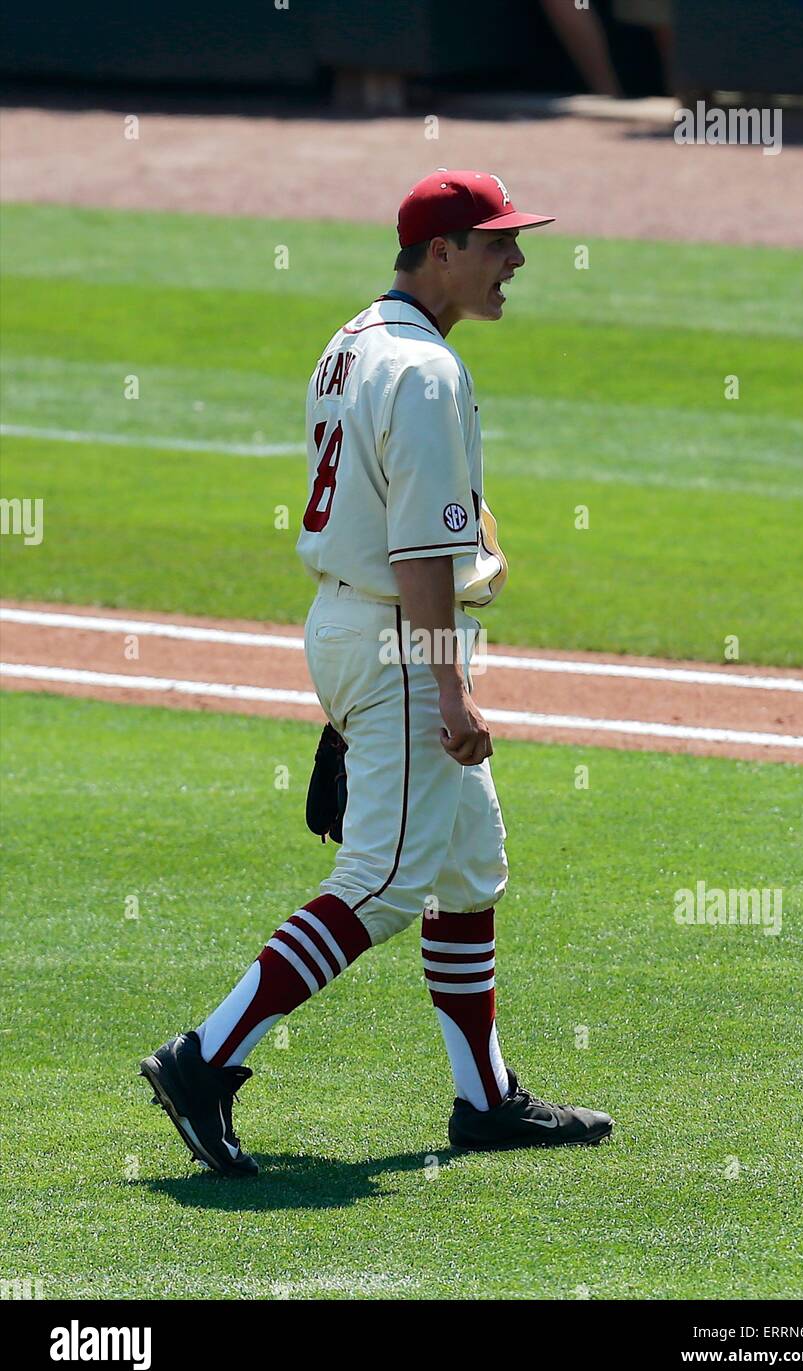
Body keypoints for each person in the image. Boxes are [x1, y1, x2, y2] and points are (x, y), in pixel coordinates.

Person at [140, 170, 614, 1176]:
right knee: (386, 880)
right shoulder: (426, 368)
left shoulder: (351, 342)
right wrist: (448, 690)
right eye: (494, 244)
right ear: (438, 250)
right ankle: (204, 1056)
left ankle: (482, 1097)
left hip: (355, 625)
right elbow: (417, 558)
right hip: (400, 636)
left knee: (465, 865)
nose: (515, 261)